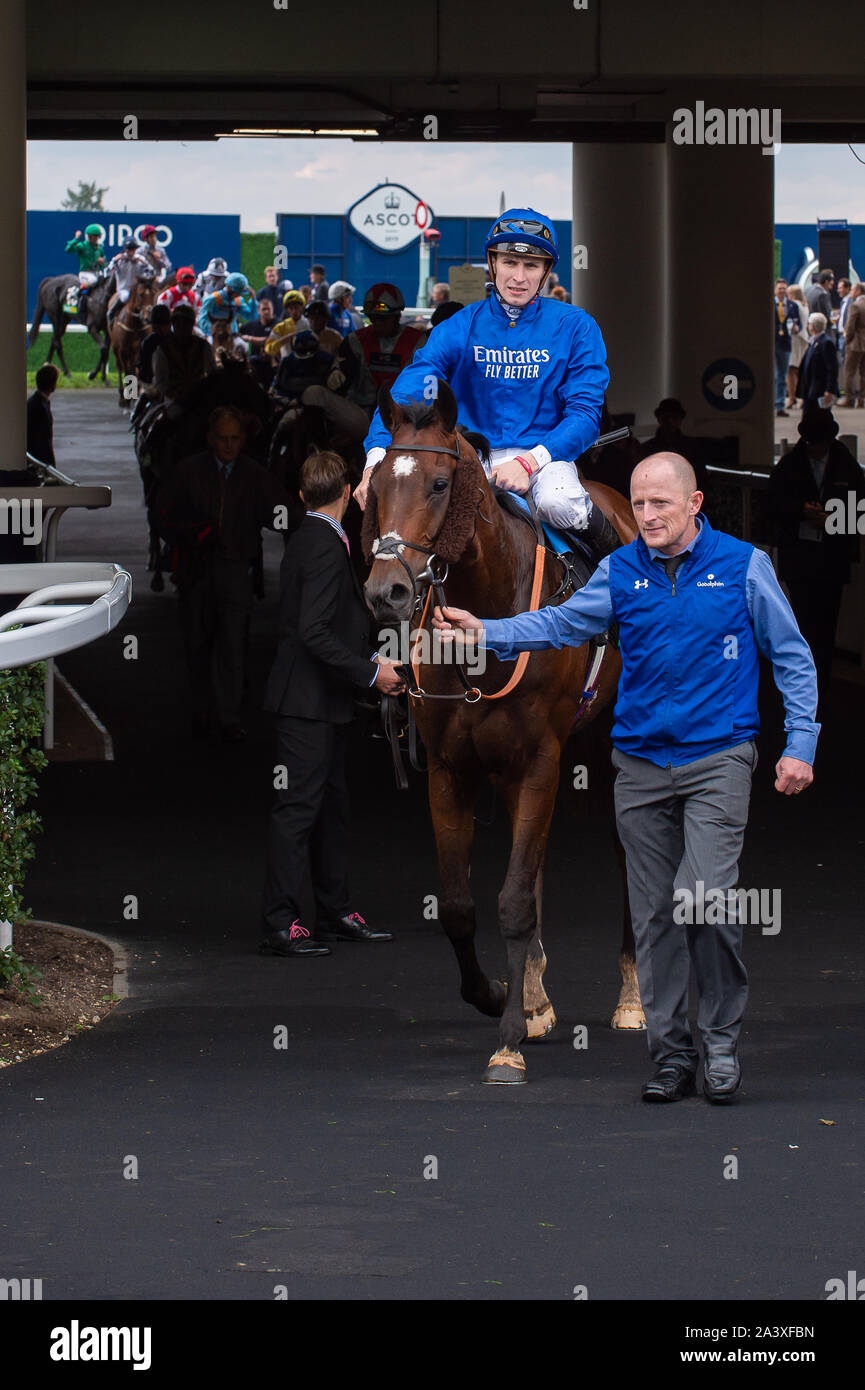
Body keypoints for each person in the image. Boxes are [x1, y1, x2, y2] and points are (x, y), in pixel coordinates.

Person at [433, 451, 820, 1104]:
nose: (644, 516)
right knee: (655, 916)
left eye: (658, 504)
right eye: (637, 504)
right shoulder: (618, 571)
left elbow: (792, 656)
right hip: (639, 767)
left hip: (716, 761)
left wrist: (799, 744)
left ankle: (719, 1042)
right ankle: (670, 1055)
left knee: (704, 901)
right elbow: (558, 624)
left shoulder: (741, 567)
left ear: (693, 504)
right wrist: (488, 631)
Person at [356, 207, 616, 553]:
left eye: (531, 265)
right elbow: (404, 396)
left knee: (559, 504)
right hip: (472, 459)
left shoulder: (577, 326)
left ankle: (619, 572)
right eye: (510, 262)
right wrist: (374, 460)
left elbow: (584, 416)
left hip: (545, 458)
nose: (519, 278)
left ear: (546, 271)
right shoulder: (458, 327)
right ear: (492, 264)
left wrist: (529, 462)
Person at [259, 450, 403, 956]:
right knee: (298, 811)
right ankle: (281, 923)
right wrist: (372, 672)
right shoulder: (323, 544)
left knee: (329, 811)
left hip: (322, 703)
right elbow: (313, 633)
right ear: (347, 492)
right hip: (306, 705)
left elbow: (328, 626)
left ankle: (334, 911)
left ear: (301, 496)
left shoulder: (316, 537)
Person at [156, 406, 293, 742]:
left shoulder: (254, 475)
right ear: (210, 438)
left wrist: (313, 521)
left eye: (235, 439)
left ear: (243, 439)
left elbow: (282, 513)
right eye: (223, 439)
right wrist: (189, 537)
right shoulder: (188, 472)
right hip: (196, 570)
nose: (230, 446)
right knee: (197, 643)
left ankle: (229, 718)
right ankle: (201, 710)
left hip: (236, 570)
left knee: (233, 645)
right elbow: (161, 516)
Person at [767, 408, 865, 712]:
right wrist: (803, 511)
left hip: (831, 559)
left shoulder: (847, 467)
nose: (816, 449)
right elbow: (774, 504)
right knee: (805, 622)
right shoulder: (790, 465)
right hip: (802, 558)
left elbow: (858, 512)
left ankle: (820, 684)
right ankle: (806, 683)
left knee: (826, 624)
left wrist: (831, 518)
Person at [339, 283, 424, 409]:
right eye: (373, 318)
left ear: (397, 316)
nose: (377, 324)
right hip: (361, 413)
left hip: (406, 415)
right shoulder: (354, 341)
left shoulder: (419, 342)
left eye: (383, 319)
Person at [152, 303, 215, 417]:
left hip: (199, 397)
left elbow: (212, 374)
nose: (182, 327)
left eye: (186, 324)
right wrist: (174, 395)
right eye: (178, 323)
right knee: (174, 415)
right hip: (174, 399)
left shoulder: (204, 347)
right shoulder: (163, 350)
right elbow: (160, 380)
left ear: (191, 325)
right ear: (173, 324)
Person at [638, 397, 707, 491]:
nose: (670, 421)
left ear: (680, 420)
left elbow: (701, 479)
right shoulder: (645, 449)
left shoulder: (693, 447)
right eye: (666, 417)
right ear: (659, 419)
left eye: (674, 417)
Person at [106, 236, 152, 327]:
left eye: (133, 249)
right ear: (125, 249)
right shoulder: (120, 260)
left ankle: (150, 319)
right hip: (124, 289)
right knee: (125, 297)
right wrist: (115, 260)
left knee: (149, 296)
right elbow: (107, 272)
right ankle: (112, 313)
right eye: (129, 249)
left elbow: (151, 272)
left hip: (138, 288)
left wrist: (145, 264)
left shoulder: (140, 259)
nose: (131, 251)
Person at [797, 312, 839, 409]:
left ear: (812, 326)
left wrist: (829, 389)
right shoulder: (813, 341)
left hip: (820, 389)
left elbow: (832, 368)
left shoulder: (826, 343)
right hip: (811, 388)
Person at [64, 223, 106, 312]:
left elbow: (105, 264)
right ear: (89, 236)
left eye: (97, 236)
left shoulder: (99, 248)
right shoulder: (82, 246)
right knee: (93, 280)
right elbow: (69, 249)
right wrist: (76, 238)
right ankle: (76, 292)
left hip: (97, 272)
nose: (96, 239)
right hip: (85, 273)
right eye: (94, 236)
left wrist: (103, 262)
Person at [26, 363, 60, 467]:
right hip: (40, 461)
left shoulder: (34, 402)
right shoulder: (41, 407)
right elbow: (44, 442)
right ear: (52, 384)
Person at [239, 295, 276, 386]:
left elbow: (270, 340)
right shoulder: (252, 325)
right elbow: (238, 333)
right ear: (259, 311)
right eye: (264, 309)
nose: (267, 312)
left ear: (273, 310)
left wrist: (249, 338)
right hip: (254, 363)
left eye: (268, 309)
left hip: (273, 361)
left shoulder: (278, 324)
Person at [262, 290, 310, 359]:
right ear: (287, 310)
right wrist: (283, 340)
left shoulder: (309, 324)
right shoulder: (281, 327)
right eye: (291, 308)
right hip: (288, 365)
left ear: (302, 307)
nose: (294, 311)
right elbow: (268, 349)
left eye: (296, 307)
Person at [136, 302, 172, 393]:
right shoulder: (148, 342)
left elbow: (141, 369)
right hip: (154, 384)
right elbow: (142, 369)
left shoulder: (148, 342)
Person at [840, 282, 865, 408]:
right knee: (863, 373)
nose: (851, 293)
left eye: (853, 290)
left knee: (849, 371)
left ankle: (849, 399)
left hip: (855, 344)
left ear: (859, 292)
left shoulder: (855, 306)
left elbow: (850, 327)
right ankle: (862, 400)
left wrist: (847, 340)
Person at [786, 285, 810, 408]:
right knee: (802, 370)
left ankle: (792, 397)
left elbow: (791, 323)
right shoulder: (805, 306)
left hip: (795, 339)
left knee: (791, 369)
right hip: (804, 337)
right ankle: (803, 396)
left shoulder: (793, 305)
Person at [773, 278, 794, 417]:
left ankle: (780, 405)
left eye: (784, 288)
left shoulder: (792, 306)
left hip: (785, 343)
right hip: (771, 343)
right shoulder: (768, 305)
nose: (782, 290)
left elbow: (797, 322)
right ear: (775, 290)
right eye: (780, 288)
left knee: (782, 375)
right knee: (771, 375)